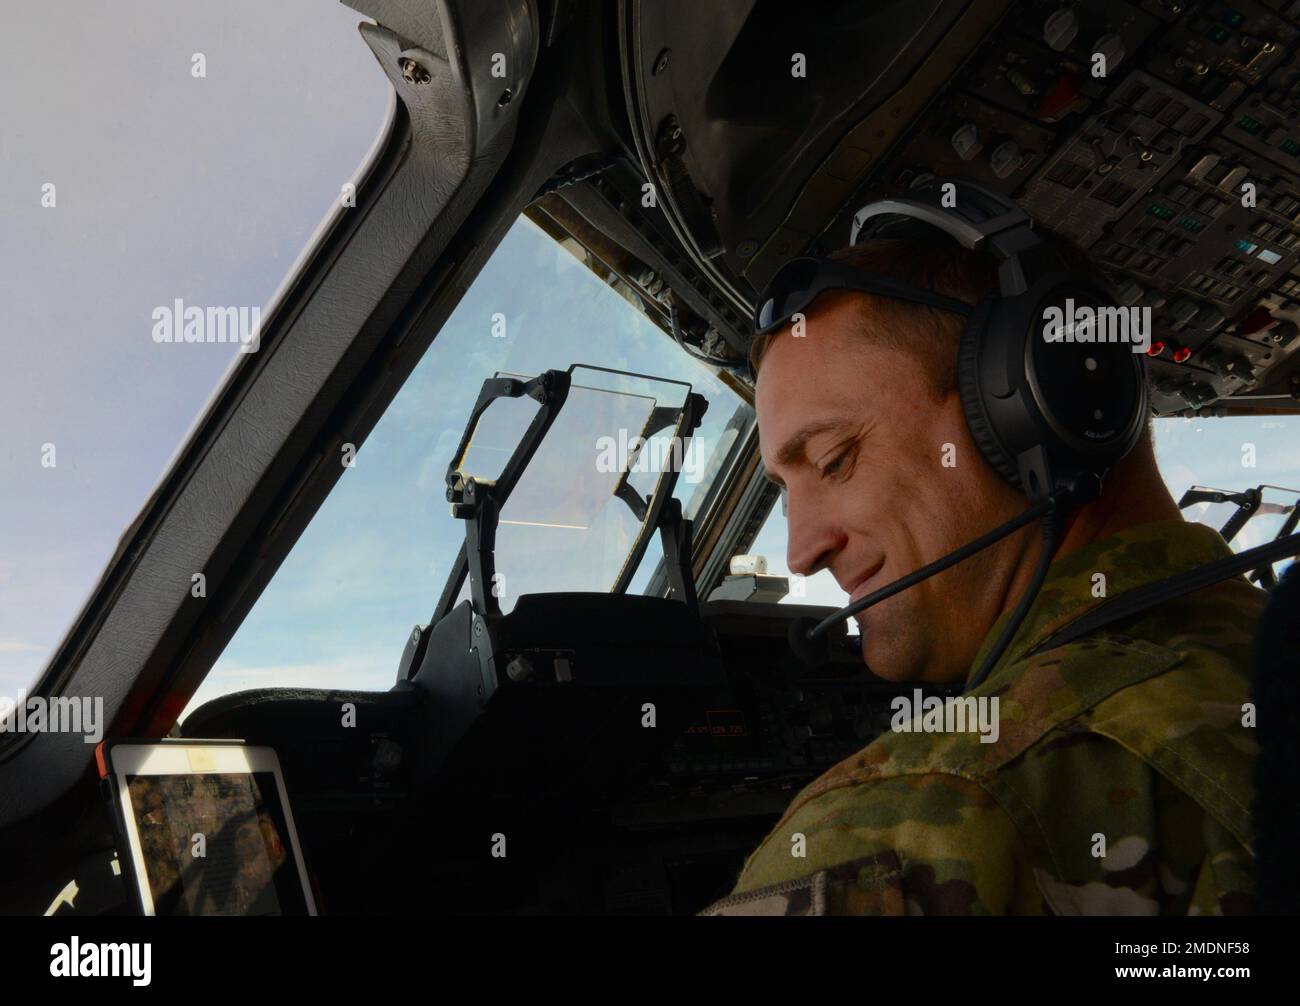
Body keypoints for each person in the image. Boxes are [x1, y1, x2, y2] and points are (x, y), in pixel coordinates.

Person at [702, 234, 1264, 916]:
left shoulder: (915, 822)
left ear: (1033, 404)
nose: (801, 551)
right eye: (786, 493)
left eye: (833, 460)